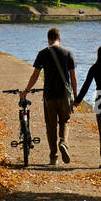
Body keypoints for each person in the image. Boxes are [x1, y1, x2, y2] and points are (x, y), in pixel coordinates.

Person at [20, 27, 77, 166]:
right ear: (59, 38)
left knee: (51, 126)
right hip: (64, 95)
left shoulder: (43, 53)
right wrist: (76, 96)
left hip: (49, 95)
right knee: (65, 122)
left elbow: (35, 75)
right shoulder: (68, 53)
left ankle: (53, 156)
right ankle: (63, 142)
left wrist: (26, 91)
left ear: (49, 39)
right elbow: (73, 77)